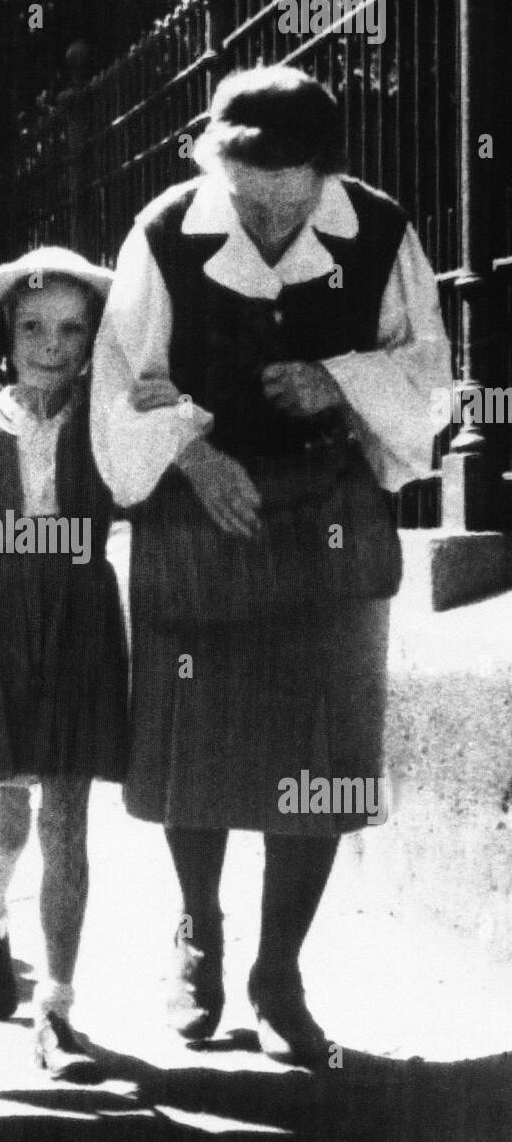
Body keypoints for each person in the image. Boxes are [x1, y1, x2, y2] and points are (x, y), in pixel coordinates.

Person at [91, 66, 451, 1065]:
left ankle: (278, 973)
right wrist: (196, 453)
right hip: (199, 513)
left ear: (321, 173)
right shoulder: (166, 231)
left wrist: (338, 381)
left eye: (277, 189)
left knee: (325, 760)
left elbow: (426, 372)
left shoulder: (378, 231)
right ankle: (198, 939)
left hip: (328, 515)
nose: (256, 210)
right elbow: (124, 373)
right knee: (197, 745)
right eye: (239, 183)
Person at [0, 249, 129, 1081]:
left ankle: (55, 1008)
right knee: (3, 827)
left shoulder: (107, 428)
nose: (52, 344)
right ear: (3, 338)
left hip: (77, 621)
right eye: (33, 326)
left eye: (72, 329)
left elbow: (145, 483)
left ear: (93, 342)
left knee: (66, 825)